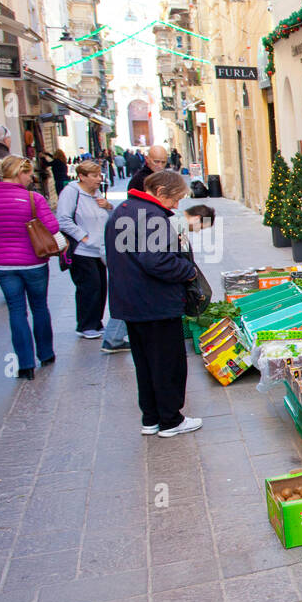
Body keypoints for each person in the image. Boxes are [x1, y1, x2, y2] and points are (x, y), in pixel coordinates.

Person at [106, 169, 201, 436]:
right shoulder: (151, 216)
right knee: (167, 363)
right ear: (160, 192)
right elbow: (156, 261)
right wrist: (188, 271)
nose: (177, 205)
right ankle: (171, 420)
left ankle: (151, 418)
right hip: (155, 302)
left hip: (131, 302)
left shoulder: (123, 209)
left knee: (145, 363)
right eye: (175, 198)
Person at [0, 155, 59, 380]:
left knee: (16, 310)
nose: (31, 177)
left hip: (2, 264)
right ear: (19, 173)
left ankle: (25, 363)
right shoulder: (34, 198)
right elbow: (53, 226)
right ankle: (46, 353)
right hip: (33, 261)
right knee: (39, 307)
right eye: (29, 173)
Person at [57, 160, 115, 338]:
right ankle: (85, 325)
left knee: (100, 287)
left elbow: (107, 217)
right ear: (81, 176)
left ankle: (96, 323)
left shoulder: (96, 193)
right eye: (94, 175)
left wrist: (108, 207)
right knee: (89, 287)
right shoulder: (71, 193)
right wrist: (84, 237)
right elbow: (63, 220)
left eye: (99, 175)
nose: (99, 179)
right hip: (81, 251)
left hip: (99, 250)